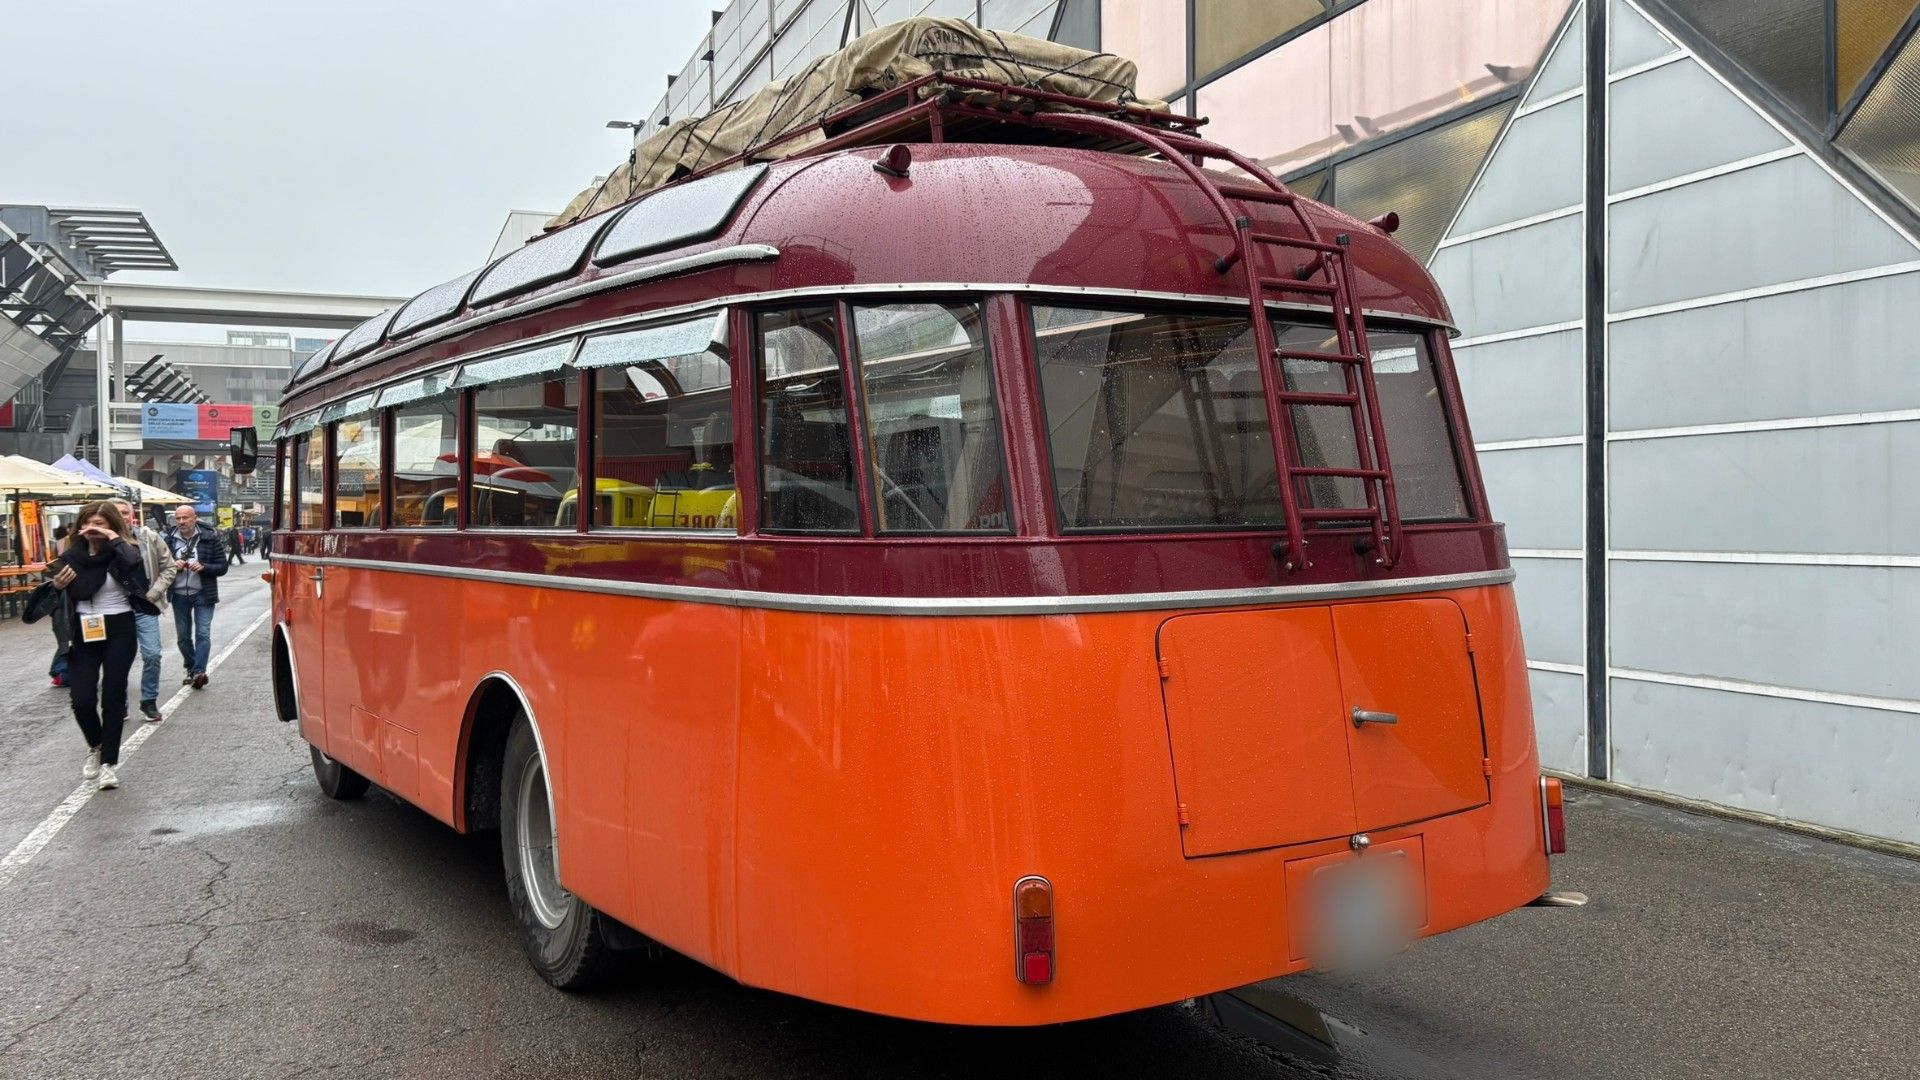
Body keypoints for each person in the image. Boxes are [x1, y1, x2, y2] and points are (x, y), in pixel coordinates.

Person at [29, 502, 157, 790]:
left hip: (119, 628)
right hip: (83, 631)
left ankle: (109, 764)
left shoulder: (122, 554)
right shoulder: (71, 557)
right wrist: (59, 587)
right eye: (88, 524)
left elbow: (136, 566)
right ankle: (96, 745)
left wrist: (114, 537)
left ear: (111, 526)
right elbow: (50, 596)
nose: (93, 530)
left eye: (100, 524)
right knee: (82, 699)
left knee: (113, 697)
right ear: (80, 526)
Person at [111, 498, 178, 722]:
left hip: (145, 606)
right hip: (114, 609)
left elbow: (169, 567)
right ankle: (120, 703)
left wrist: (154, 593)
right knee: (117, 660)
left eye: (124, 512)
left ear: (132, 515)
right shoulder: (101, 541)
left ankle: (149, 700)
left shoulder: (148, 537)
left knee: (152, 654)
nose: (121, 516)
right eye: (115, 512)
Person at [167, 505, 229, 689]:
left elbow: (222, 567)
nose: (181, 522)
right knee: (183, 638)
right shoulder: (168, 540)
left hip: (203, 593)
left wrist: (204, 567)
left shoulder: (209, 538)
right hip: (178, 594)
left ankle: (199, 671)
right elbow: (160, 565)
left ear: (195, 518)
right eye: (178, 518)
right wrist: (173, 564)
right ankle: (192, 667)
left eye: (185, 518)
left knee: (202, 633)